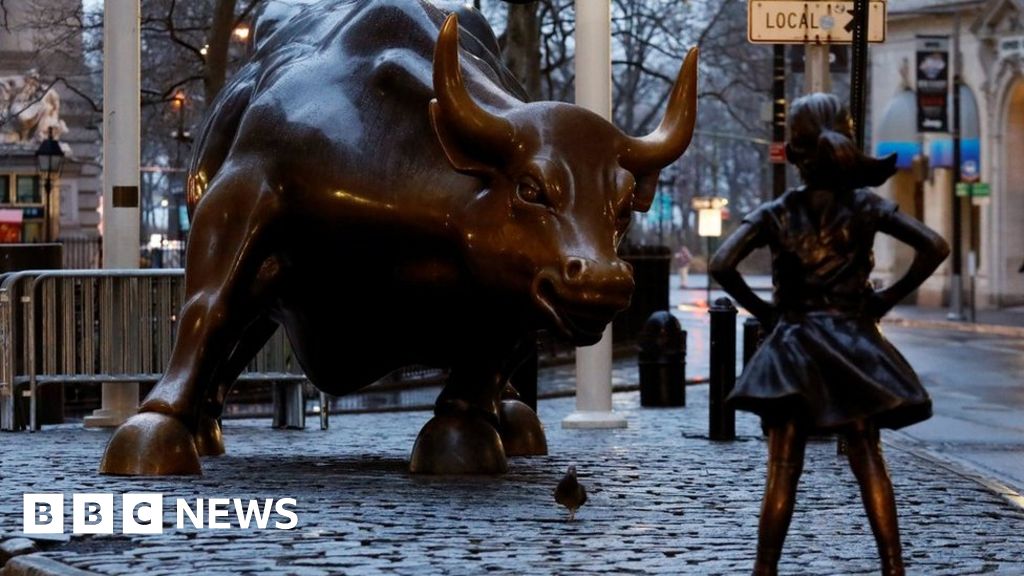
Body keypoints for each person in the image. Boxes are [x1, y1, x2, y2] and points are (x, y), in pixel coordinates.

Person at [710, 93, 949, 576]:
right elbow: (934, 245)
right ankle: (893, 567)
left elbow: (721, 264)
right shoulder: (864, 206)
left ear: (794, 152)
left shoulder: (779, 210)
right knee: (867, 457)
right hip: (853, 345)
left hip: (793, 347)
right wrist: (886, 298)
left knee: (782, 468)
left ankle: (765, 569)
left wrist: (767, 312)